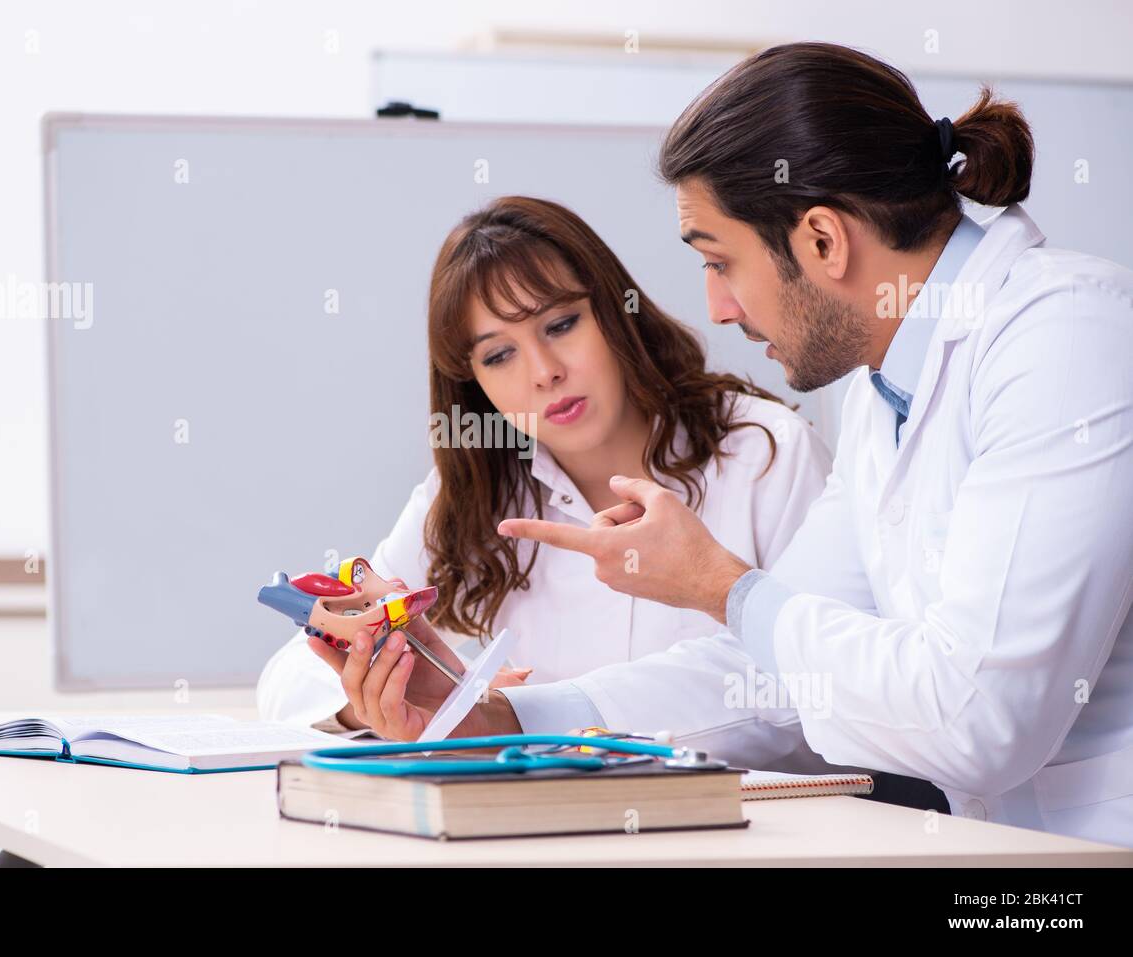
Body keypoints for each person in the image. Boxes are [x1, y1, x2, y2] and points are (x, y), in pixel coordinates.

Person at [332, 43, 1133, 848]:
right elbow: (769, 678)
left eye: (721, 262)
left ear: (822, 240)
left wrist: (721, 586)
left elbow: (982, 720)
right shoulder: (880, 392)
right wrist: (504, 717)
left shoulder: (1063, 335)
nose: (716, 307)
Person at [258, 195, 836, 773]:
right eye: (498, 355)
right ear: (473, 382)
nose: (544, 372)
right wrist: (378, 696)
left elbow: (810, 687)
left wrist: (517, 716)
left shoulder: (764, 450)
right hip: (551, 819)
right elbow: (290, 676)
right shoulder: (475, 494)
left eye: (561, 325)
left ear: (615, 311)